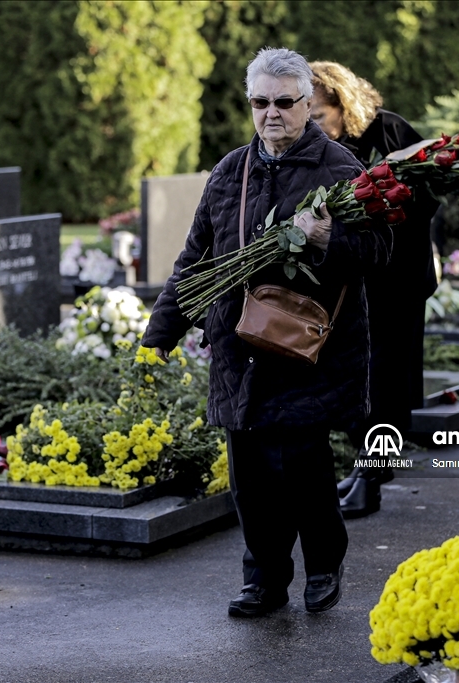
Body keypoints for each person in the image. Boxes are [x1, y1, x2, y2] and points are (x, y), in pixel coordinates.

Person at [142, 47, 392, 617]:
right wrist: (159, 336)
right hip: (240, 346)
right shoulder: (230, 170)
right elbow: (195, 260)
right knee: (250, 477)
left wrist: (329, 240)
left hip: (309, 349)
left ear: (306, 103)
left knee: (303, 469)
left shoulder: (341, 170)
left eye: (284, 102)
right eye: (260, 102)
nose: (271, 113)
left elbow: (380, 251)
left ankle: (323, 565)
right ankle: (264, 580)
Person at [309, 61, 440, 518]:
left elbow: (429, 196)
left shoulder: (389, 131)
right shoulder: (317, 148)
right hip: (351, 280)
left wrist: (381, 204)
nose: (313, 126)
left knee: (384, 381)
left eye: (319, 116)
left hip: (396, 280)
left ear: (343, 105)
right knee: (351, 378)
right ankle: (368, 468)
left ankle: (371, 476)